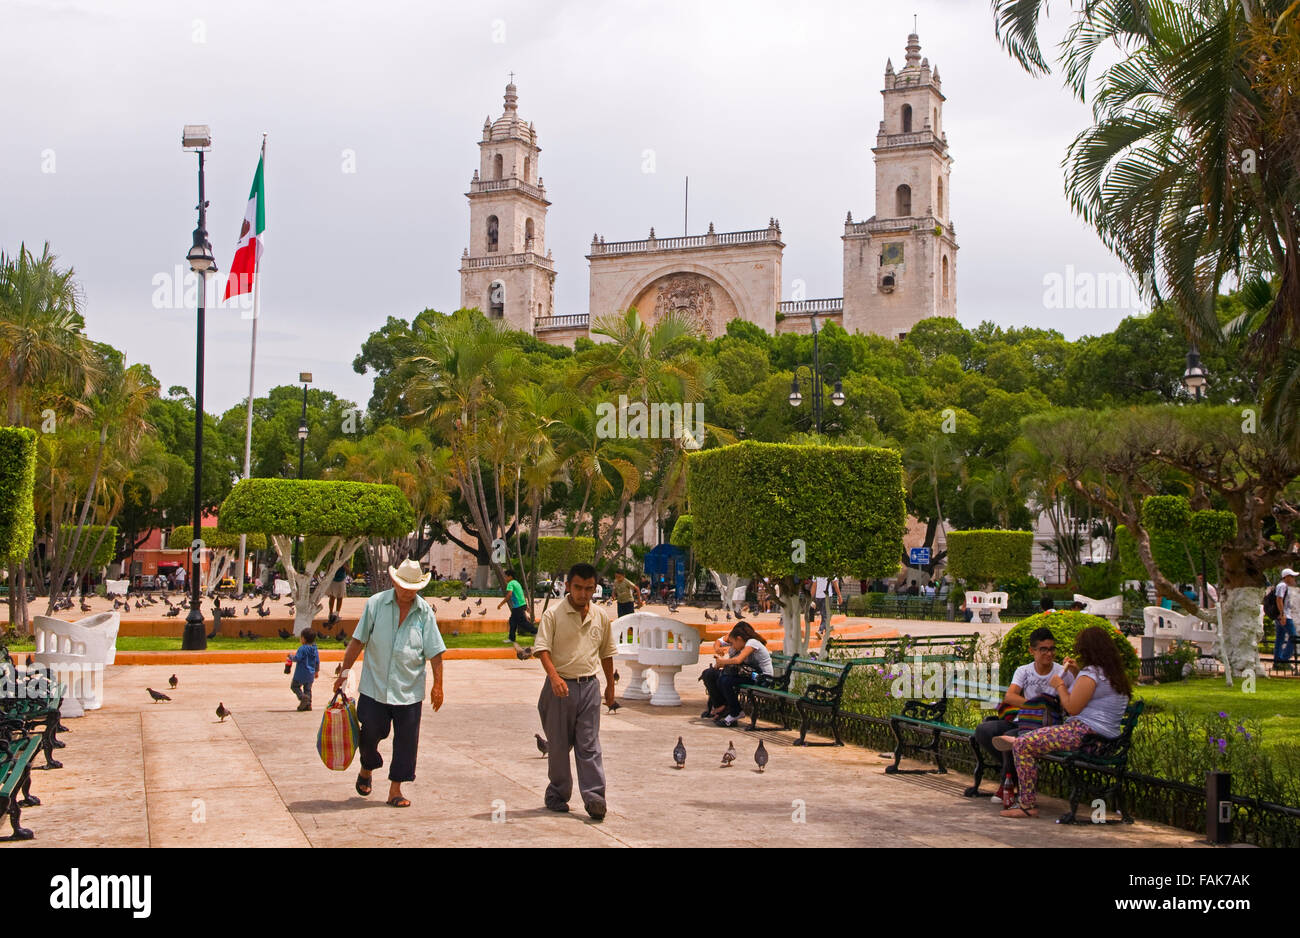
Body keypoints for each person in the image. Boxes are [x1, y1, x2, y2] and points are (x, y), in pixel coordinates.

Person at [332, 559, 446, 809]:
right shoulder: (375, 604)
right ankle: (367, 766)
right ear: (395, 582)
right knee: (371, 731)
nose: (408, 591)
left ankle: (396, 789)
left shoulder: (424, 611)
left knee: (407, 740)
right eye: (404, 585)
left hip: (410, 688)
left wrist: (438, 685)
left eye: (413, 587)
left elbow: (435, 652)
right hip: (376, 686)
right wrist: (344, 672)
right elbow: (357, 641)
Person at [993, 625, 1133, 818]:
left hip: (1085, 736)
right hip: (1106, 739)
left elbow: (1072, 708)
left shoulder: (1091, 673)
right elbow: (1086, 699)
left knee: (1023, 746)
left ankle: (1026, 805)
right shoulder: (1113, 674)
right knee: (1027, 740)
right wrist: (1076, 674)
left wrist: (1060, 685)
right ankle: (1019, 740)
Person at [533, 563, 616, 820]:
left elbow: (606, 653)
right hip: (559, 689)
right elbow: (542, 650)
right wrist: (554, 677)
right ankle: (557, 793)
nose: (583, 594)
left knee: (589, 745)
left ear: (595, 588)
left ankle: (594, 798)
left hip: (590, 687)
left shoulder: (600, 616)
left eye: (589, 588)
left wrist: (611, 687)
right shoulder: (553, 615)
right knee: (557, 746)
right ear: (568, 586)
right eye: (578, 587)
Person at [971, 627, 1073, 805]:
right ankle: (1015, 772)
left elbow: (1068, 703)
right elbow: (1010, 696)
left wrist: (1047, 703)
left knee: (1011, 739)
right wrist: (1035, 706)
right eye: (1043, 649)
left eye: (1052, 649)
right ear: (1032, 651)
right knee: (984, 730)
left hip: (1045, 726)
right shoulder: (1024, 671)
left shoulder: (1062, 673)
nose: (1049, 653)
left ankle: (1007, 784)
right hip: (1023, 721)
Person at [710, 621, 774, 727]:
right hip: (754, 675)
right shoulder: (747, 643)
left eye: (734, 643)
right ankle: (732, 710)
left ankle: (735, 712)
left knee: (726, 681)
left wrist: (722, 662)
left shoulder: (752, 642)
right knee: (723, 679)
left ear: (739, 639)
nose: (733, 646)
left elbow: (738, 660)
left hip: (763, 679)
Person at [497, 568, 536, 643]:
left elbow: (509, 595)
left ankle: (536, 632)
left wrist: (501, 604)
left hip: (518, 606)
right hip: (520, 605)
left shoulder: (510, 584)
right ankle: (511, 638)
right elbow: (521, 594)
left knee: (523, 623)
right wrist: (526, 605)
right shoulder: (517, 583)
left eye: (506, 576)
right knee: (512, 621)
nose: (505, 578)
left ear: (510, 577)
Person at [287, 628, 320, 711]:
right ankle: (308, 705)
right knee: (308, 689)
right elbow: (317, 661)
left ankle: (303, 697)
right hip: (310, 674)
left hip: (301, 674)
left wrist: (290, 656)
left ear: (304, 639)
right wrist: (316, 671)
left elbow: (297, 658)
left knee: (294, 686)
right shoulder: (314, 649)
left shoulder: (302, 649)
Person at [1275, 569, 1299, 668]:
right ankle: (1284, 659)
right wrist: (1282, 614)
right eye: (1292, 576)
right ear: (1287, 577)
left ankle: (1278, 661)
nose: (1293, 578)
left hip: (1282, 616)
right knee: (1294, 637)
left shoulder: (1284, 586)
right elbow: (1279, 599)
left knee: (1280, 638)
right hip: (1284, 616)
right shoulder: (1282, 586)